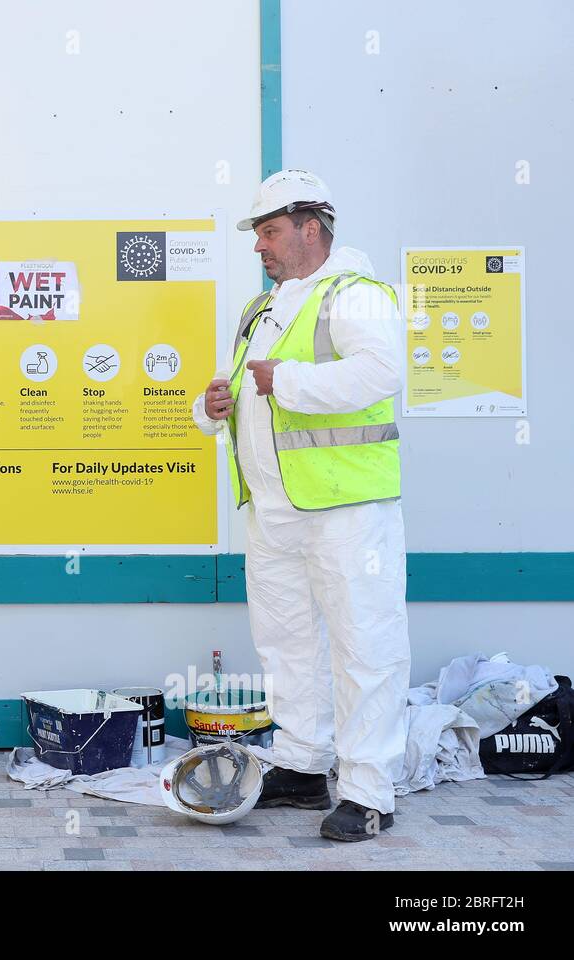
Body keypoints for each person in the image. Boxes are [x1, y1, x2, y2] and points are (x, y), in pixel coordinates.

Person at [192, 170, 411, 841]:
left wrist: (286, 381)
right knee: (286, 642)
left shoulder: (355, 295)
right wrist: (211, 408)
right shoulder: (262, 310)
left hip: (346, 510)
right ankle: (303, 764)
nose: (260, 245)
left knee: (363, 643)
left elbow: (382, 372)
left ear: (310, 227)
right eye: (258, 233)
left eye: (269, 231)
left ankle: (370, 789)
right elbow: (238, 394)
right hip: (274, 509)